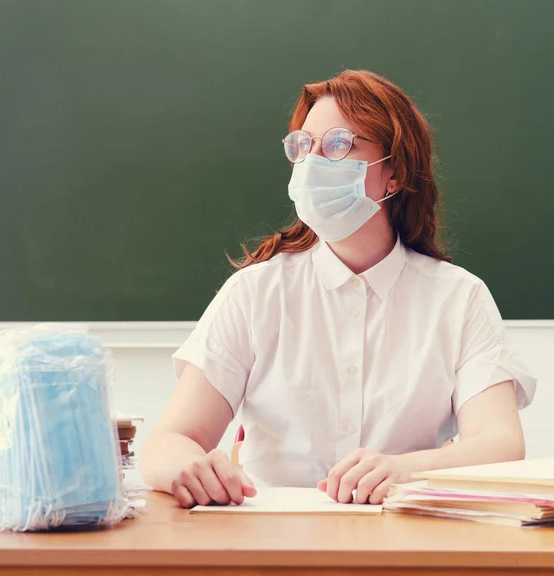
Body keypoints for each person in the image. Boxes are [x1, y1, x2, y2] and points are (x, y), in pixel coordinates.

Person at [140, 69, 536, 508]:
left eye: (338, 145)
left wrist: (403, 469)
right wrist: (189, 468)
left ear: (395, 173)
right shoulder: (255, 292)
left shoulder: (459, 299)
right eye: (303, 146)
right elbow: (169, 442)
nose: (312, 164)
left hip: (407, 539)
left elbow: (500, 444)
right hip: (272, 542)